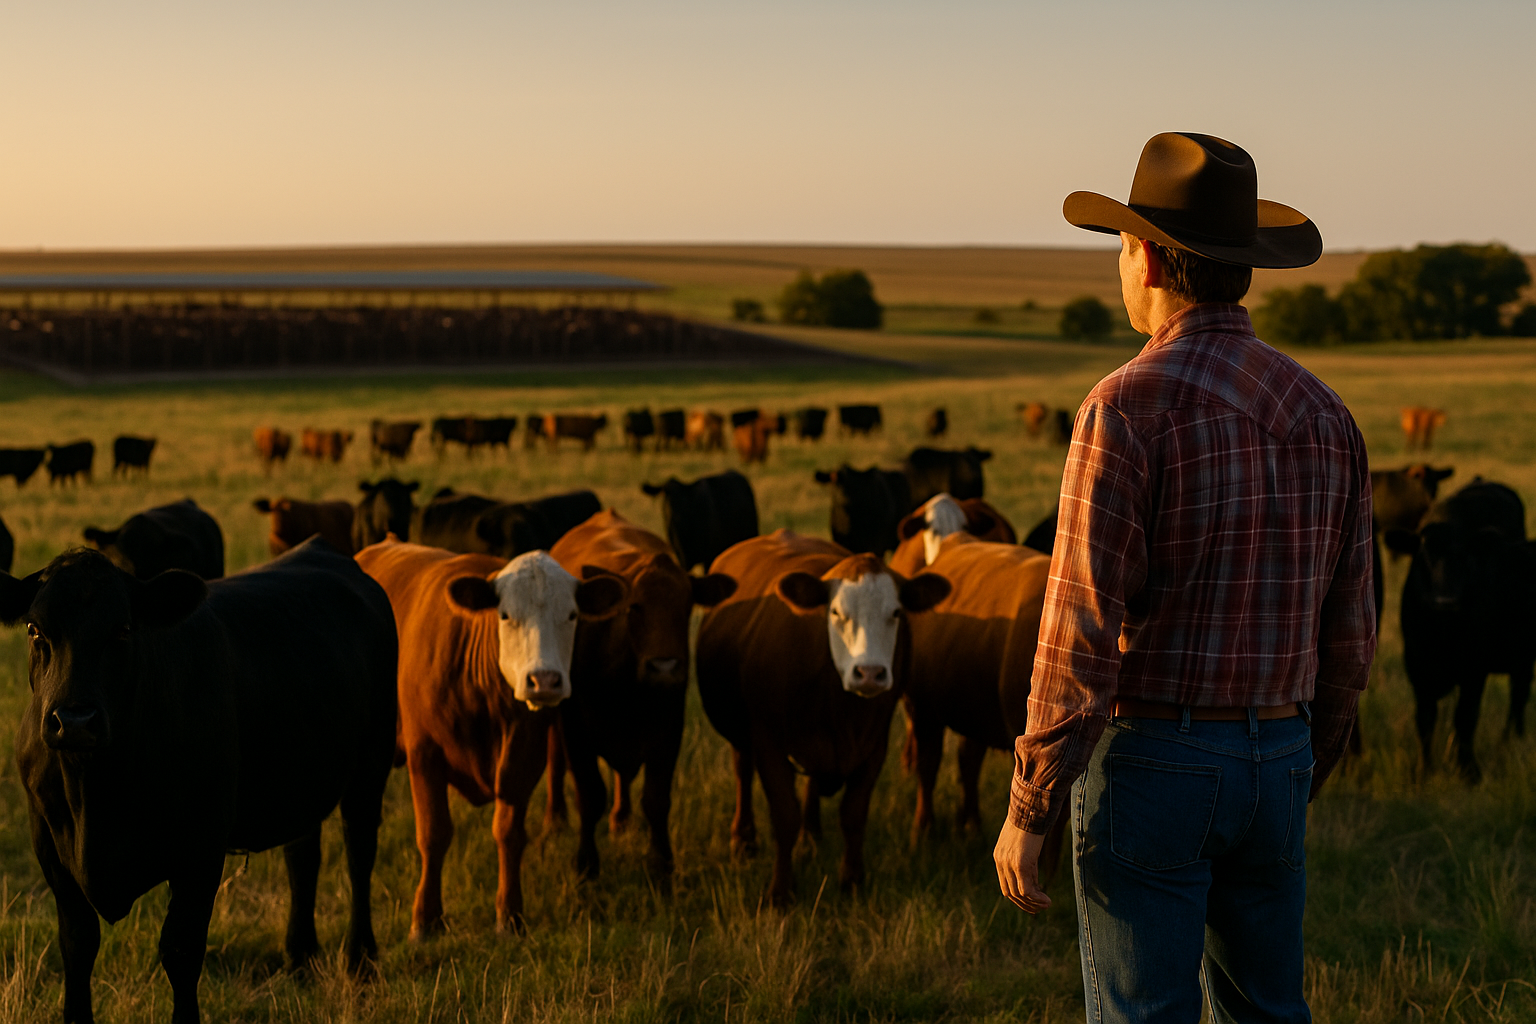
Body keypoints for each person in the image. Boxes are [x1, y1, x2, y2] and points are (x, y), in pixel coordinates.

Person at [994, 132, 1376, 1023]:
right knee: (1269, 1012)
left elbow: (1080, 629)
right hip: (1279, 751)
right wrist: (1302, 758)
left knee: (1143, 1015)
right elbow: (1352, 627)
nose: (1121, 267)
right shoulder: (1326, 412)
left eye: (1123, 247)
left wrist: (1032, 801)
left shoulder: (1126, 404)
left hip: (1158, 759)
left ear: (1155, 259)